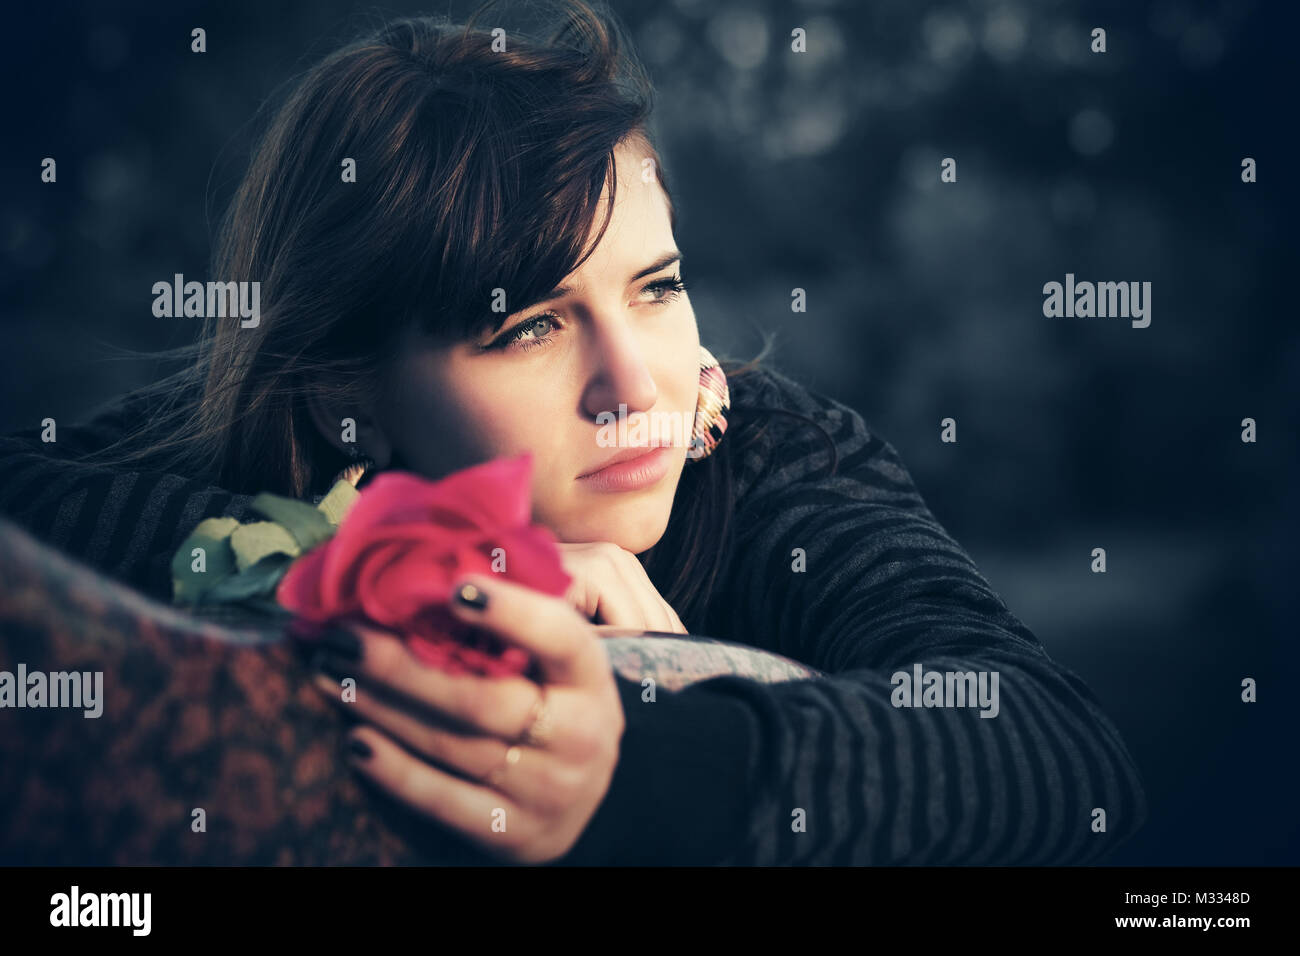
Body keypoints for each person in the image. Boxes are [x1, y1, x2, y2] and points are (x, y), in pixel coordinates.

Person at [0, 2, 1146, 865]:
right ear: (347, 394)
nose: (631, 382)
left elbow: (1057, 746)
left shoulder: (770, 450)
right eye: (531, 325)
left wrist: (646, 760)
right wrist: (462, 564)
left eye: (655, 287)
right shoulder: (258, 436)